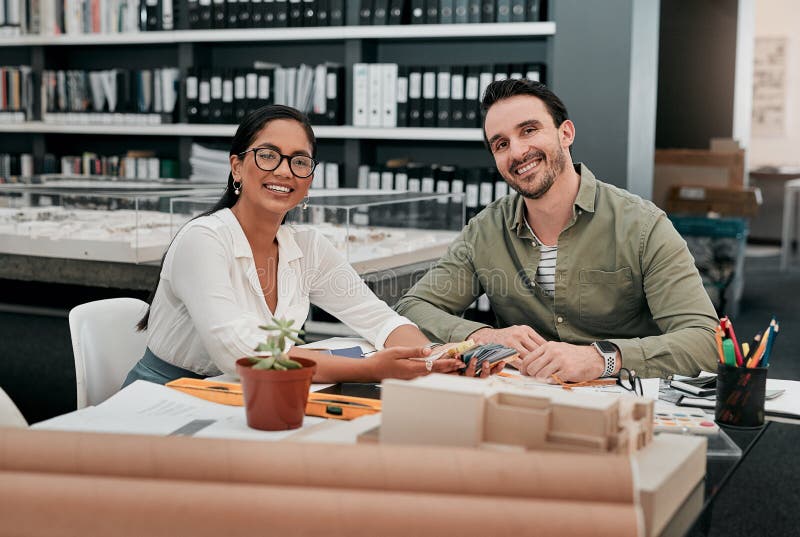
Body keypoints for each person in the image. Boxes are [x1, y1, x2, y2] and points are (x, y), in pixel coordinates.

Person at [124, 104, 476, 387]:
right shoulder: (204, 239)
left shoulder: (306, 246)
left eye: (299, 161)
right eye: (267, 155)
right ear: (236, 167)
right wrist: (368, 370)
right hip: (169, 398)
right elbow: (242, 356)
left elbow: (378, 319)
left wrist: (432, 354)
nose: (284, 170)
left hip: (250, 395)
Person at [394, 78, 719, 381]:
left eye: (529, 130)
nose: (518, 152)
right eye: (501, 144)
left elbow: (704, 341)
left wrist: (601, 358)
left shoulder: (643, 225)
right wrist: (484, 336)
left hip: (621, 401)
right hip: (521, 402)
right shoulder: (485, 230)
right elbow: (412, 308)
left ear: (566, 134)